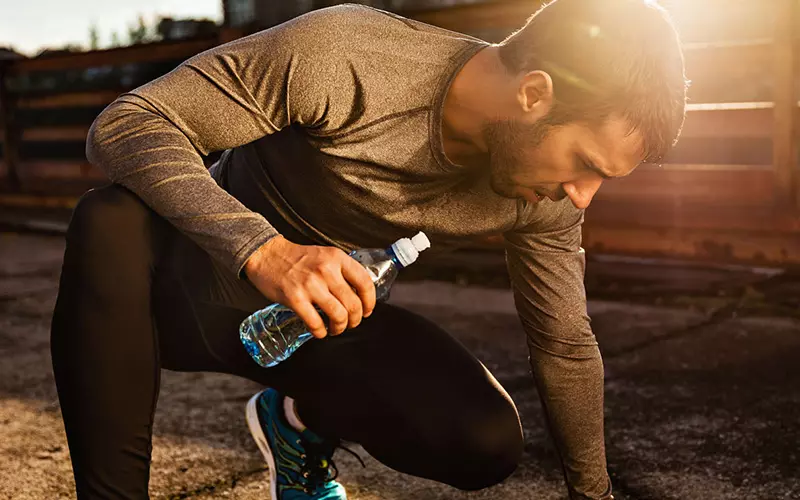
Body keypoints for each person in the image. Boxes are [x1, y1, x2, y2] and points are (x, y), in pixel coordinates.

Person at [50, 0, 687, 498]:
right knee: (109, 219)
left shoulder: (542, 197)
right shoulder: (346, 53)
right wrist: (265, 252)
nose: (582, 196)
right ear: (534, 94)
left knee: (484, 440)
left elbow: (564, 344)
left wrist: (593, 494)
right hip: (186, 289)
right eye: (584, 162)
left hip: (317, 326)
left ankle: (296, 426)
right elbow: (127, 123)